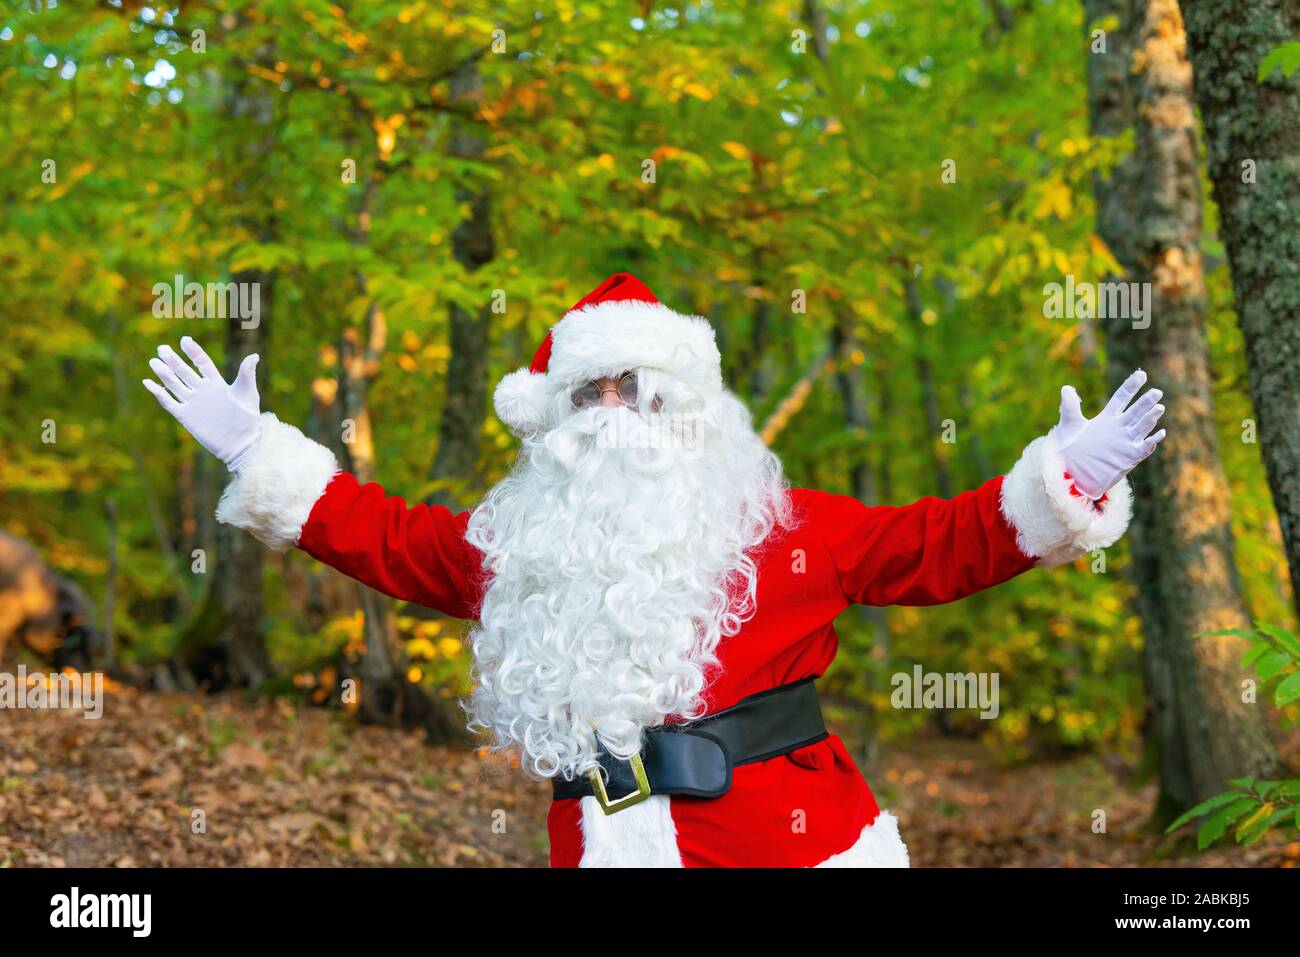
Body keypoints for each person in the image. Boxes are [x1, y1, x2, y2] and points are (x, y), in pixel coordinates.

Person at [143, 272, 1166, 867]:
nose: (618, 413)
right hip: (603, 844)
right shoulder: (519, 547)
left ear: (692, 412)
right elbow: (382, 534)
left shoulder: (787, 526)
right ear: (557, 415)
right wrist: (254, 452)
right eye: (595, 391)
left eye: (643, 390)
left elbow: (937, 542)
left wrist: (1064, 479)